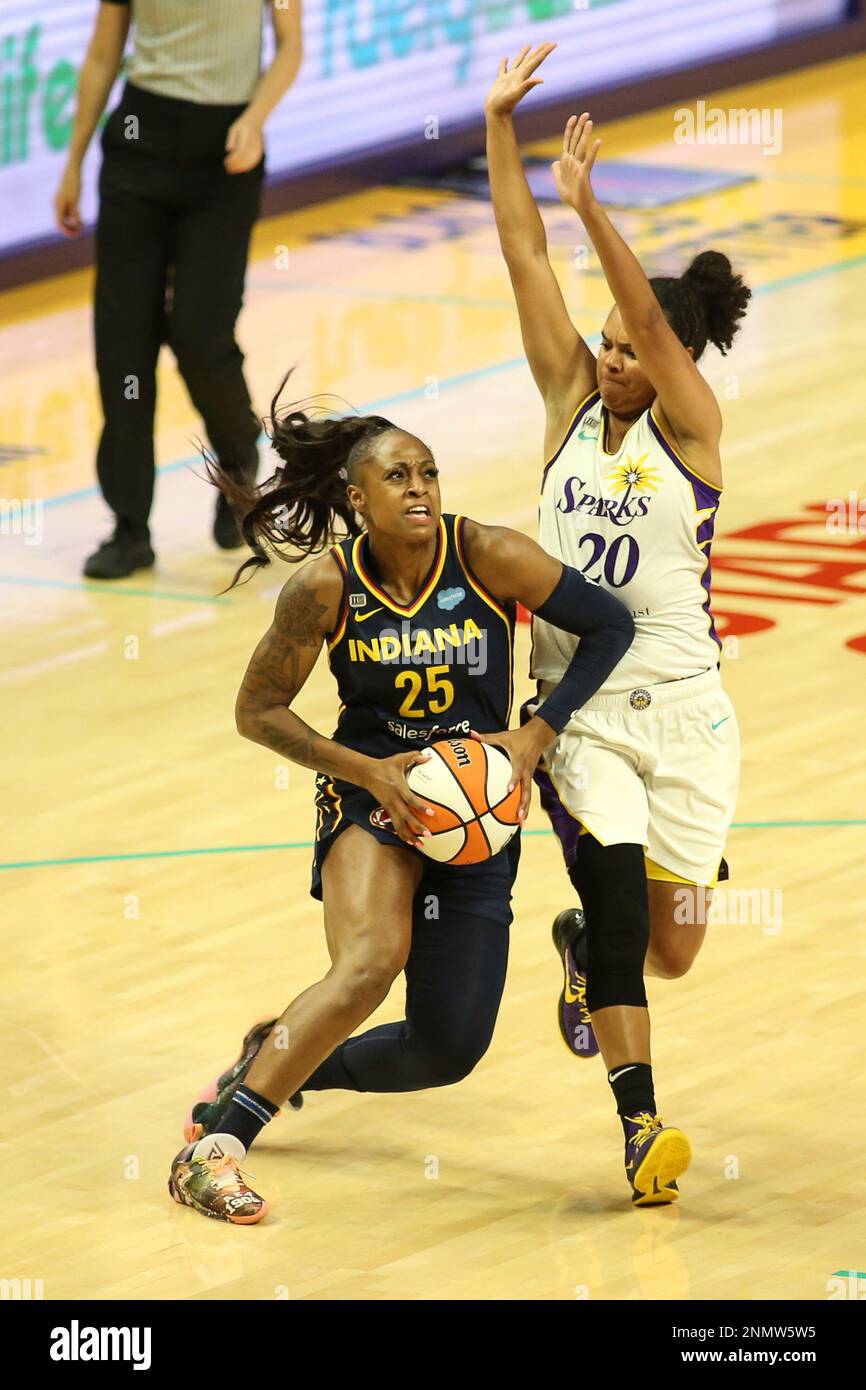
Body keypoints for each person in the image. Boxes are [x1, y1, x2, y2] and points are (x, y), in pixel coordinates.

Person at [167, 370, 635, 1223]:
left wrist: (538, 731)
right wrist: (366, 770)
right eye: (397, 476)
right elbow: (257, 711)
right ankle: (215, 1149)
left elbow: (611, 622)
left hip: (476, 812)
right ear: (357, 499)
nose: (419, 488)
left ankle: (274, 1061)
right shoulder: (325, 586)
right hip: (373, 799)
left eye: (428, 473)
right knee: (369, 963)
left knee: (445, 1049)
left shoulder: (487, 553)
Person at [485, 44, 750, 1205]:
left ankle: (582, 945)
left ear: (670, 360)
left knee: (671, 947)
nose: (607, 355)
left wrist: (592, 208)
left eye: (628, 347)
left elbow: (642, 304)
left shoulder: (691, 430)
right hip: (579, 711)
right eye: (601, 341)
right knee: (617, 906)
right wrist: (498, 128)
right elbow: (520, 255)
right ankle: (641, 1132)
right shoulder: (567, 400)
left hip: (688, 711)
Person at [54, 1, 303, 578]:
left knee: (200, 334)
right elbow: (102, 55)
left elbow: (290, 46)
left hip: (226, 156)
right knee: (123, 344)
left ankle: (238, 461)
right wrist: (73, 163)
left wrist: (255, 118)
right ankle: (129, 528)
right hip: (138, 143)